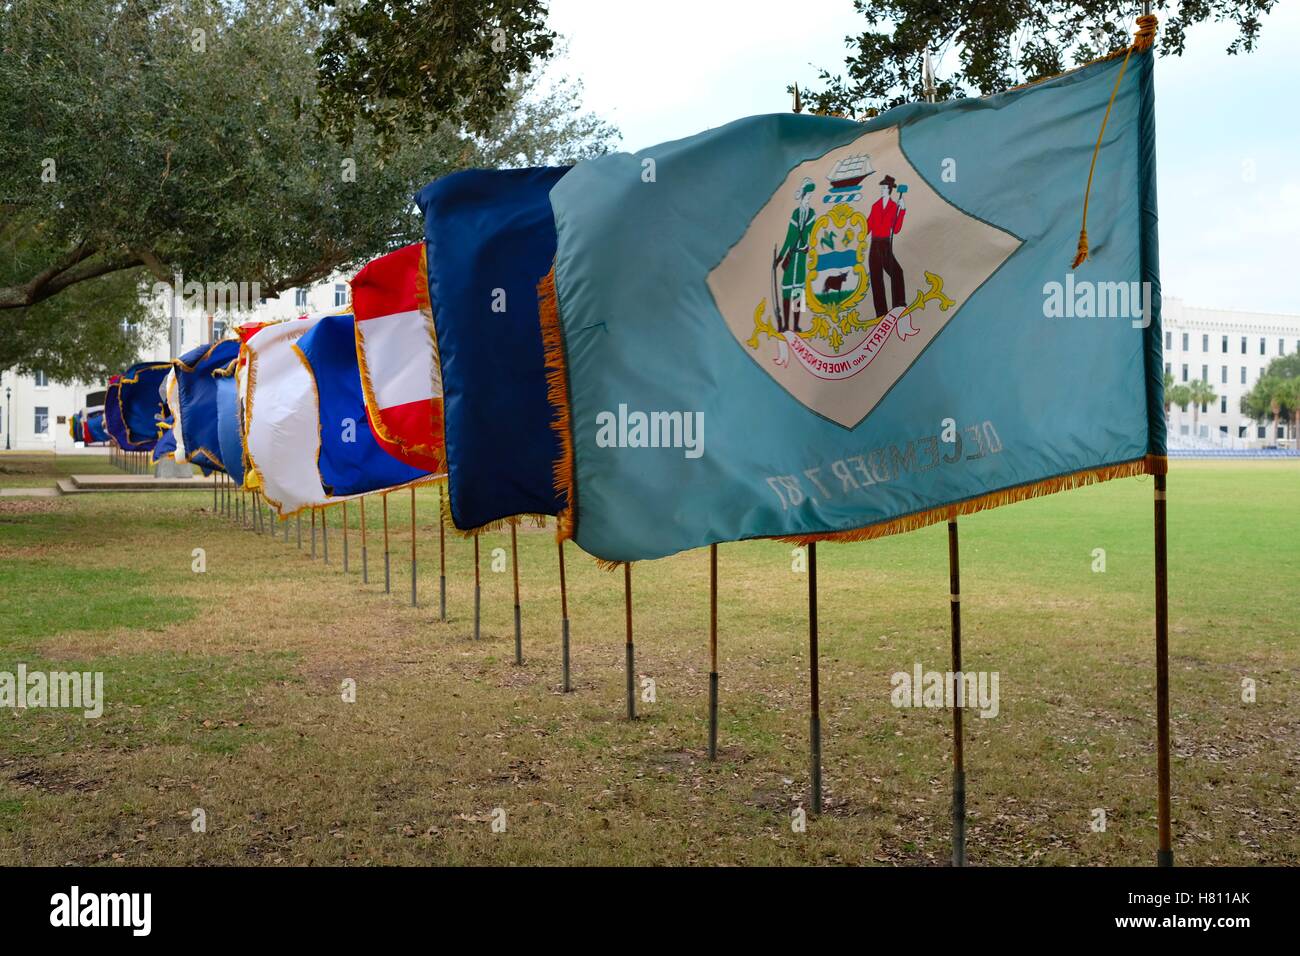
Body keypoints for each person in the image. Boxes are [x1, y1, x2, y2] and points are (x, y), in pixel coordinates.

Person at [774, 178, 816, 334]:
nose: (808, 200)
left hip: (801, 259)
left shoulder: (811, 213)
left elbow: (813, 234)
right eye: (807, 196)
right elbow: (789, 238)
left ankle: (796, 325)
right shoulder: (795, 213)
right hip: (791, 258)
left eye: (810, 197)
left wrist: (810, 246)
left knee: (798, 292)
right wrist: (780, 257)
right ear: (803, 196)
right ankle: (785, 325)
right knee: (786, 292)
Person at [866, 174, 907, 320]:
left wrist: (901, 211)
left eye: (884, 188)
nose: (882, 190)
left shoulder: (893, 207)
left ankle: (899, 304)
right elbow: (868, 225)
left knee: (897, 272)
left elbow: (895, 229)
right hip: (874, 244)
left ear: (889, 190)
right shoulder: (875, 206)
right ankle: (880, 313)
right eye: (881, 187)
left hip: (885, 244)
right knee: (876, 279)